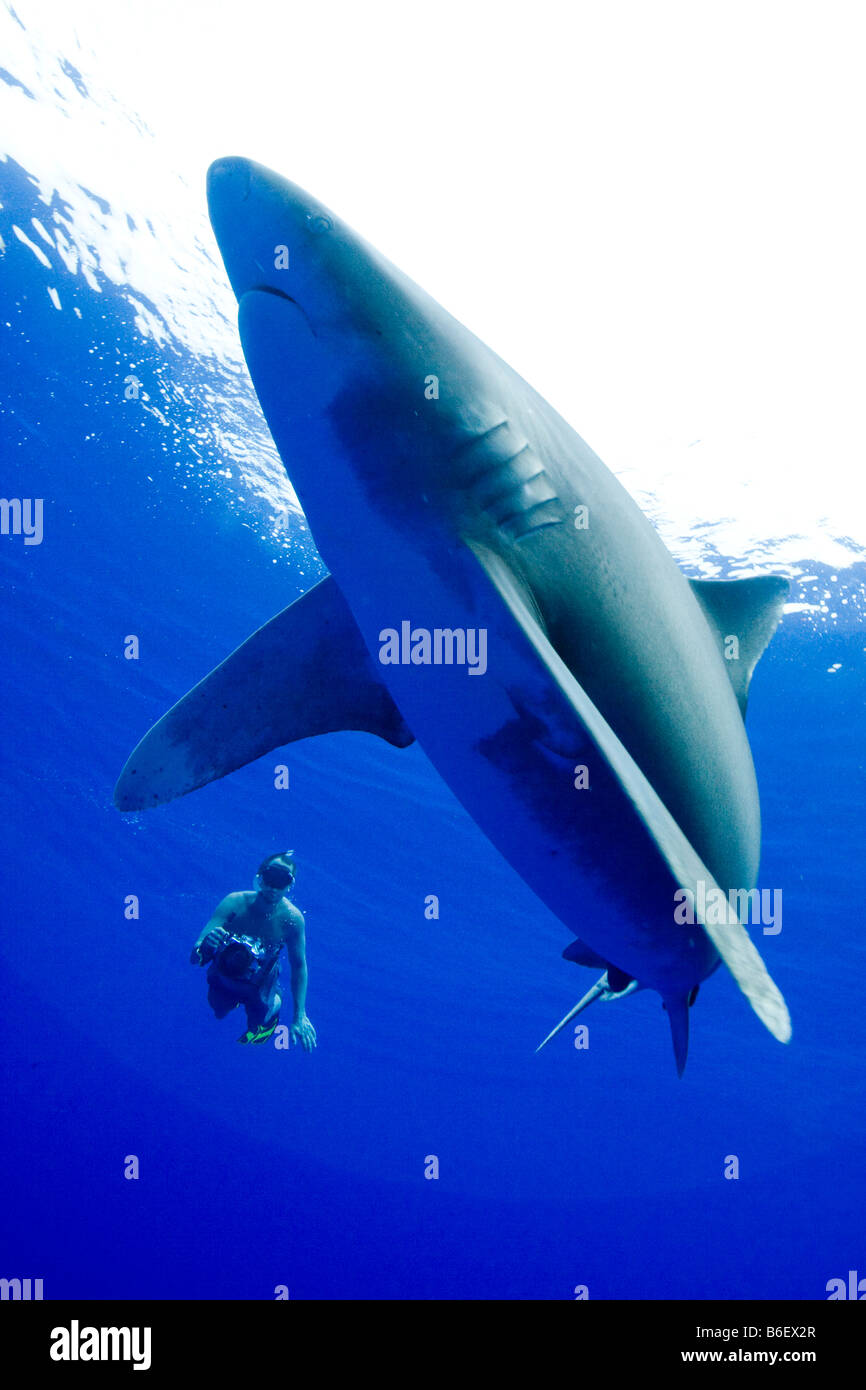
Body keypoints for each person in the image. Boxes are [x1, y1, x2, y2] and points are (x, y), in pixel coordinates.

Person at [190, 851, 317, 1049]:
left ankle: (275, 1002)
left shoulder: (292, 920)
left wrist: (299, 1015)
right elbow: (195, 956)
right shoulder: (235, 902)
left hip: (262, 985)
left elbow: (299, 967)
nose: (274, 887)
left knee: (258, 1028)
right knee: (218, 1011)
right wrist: (206, 945)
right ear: (259, 877)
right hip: (225, 973)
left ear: (290, 885)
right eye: (270, 877)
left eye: (281, 880)